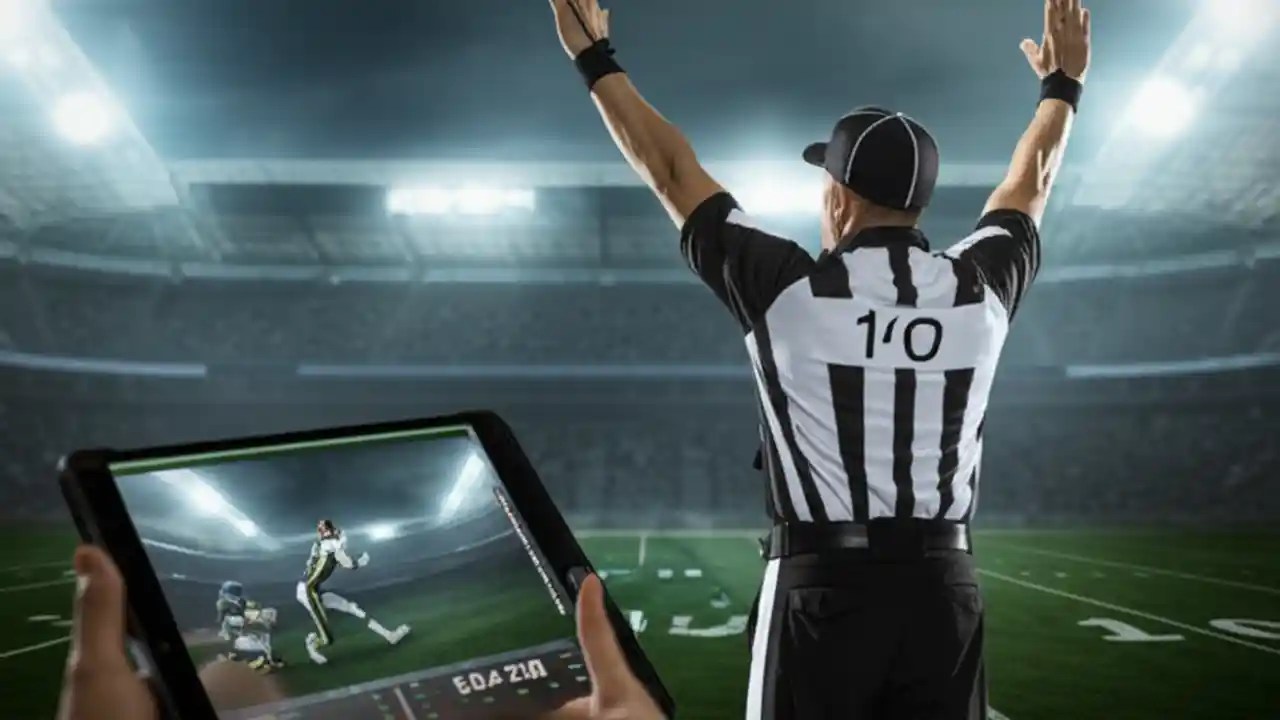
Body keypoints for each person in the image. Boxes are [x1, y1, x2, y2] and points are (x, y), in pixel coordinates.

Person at [545, 0, 1090, 717]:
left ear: (838, 196)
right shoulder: (978, 290)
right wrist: (1062, 88)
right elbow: (1031, 183)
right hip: (945, 591)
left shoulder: (788, 287)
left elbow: (672, 170)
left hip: (822, 585)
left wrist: (594, 61)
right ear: (919, 205)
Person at [57, 544, 666, 720]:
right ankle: (315, 647)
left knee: (326, 621)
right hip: (311, 596)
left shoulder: (325, 551)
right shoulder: (322, 551)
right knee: (256, 663)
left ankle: (354, 637)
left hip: (318, 593)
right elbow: (332, 562)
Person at [298, 518, 410, 665]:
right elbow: (347, 562)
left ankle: (389, 635)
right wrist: (360, 561)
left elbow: (339, 560)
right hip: (308, 592)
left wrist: (350, 556)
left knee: (352, 607)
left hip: (314, 589)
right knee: (328, 639)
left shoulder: (323, 546)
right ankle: (312, 645)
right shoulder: (329, 544)